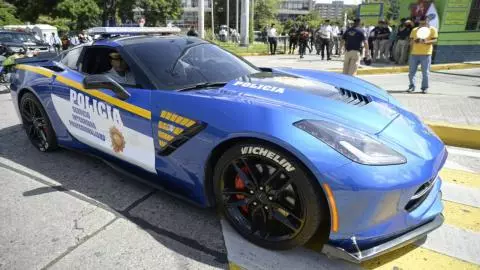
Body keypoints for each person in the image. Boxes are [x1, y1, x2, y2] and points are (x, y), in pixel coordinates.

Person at [407, 16, 438, 94]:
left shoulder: (432, 29)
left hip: (426, 54)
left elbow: (435, 40)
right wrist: (415, 41)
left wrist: (426, 41)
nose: (422, 25)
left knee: (425, 73)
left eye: (424, 23)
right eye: (421, 23)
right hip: (414, 54)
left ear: (428, 21)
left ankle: (424, 88)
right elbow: (410, 42)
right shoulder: (415, 30)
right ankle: (412, 86)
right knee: (411, 72)